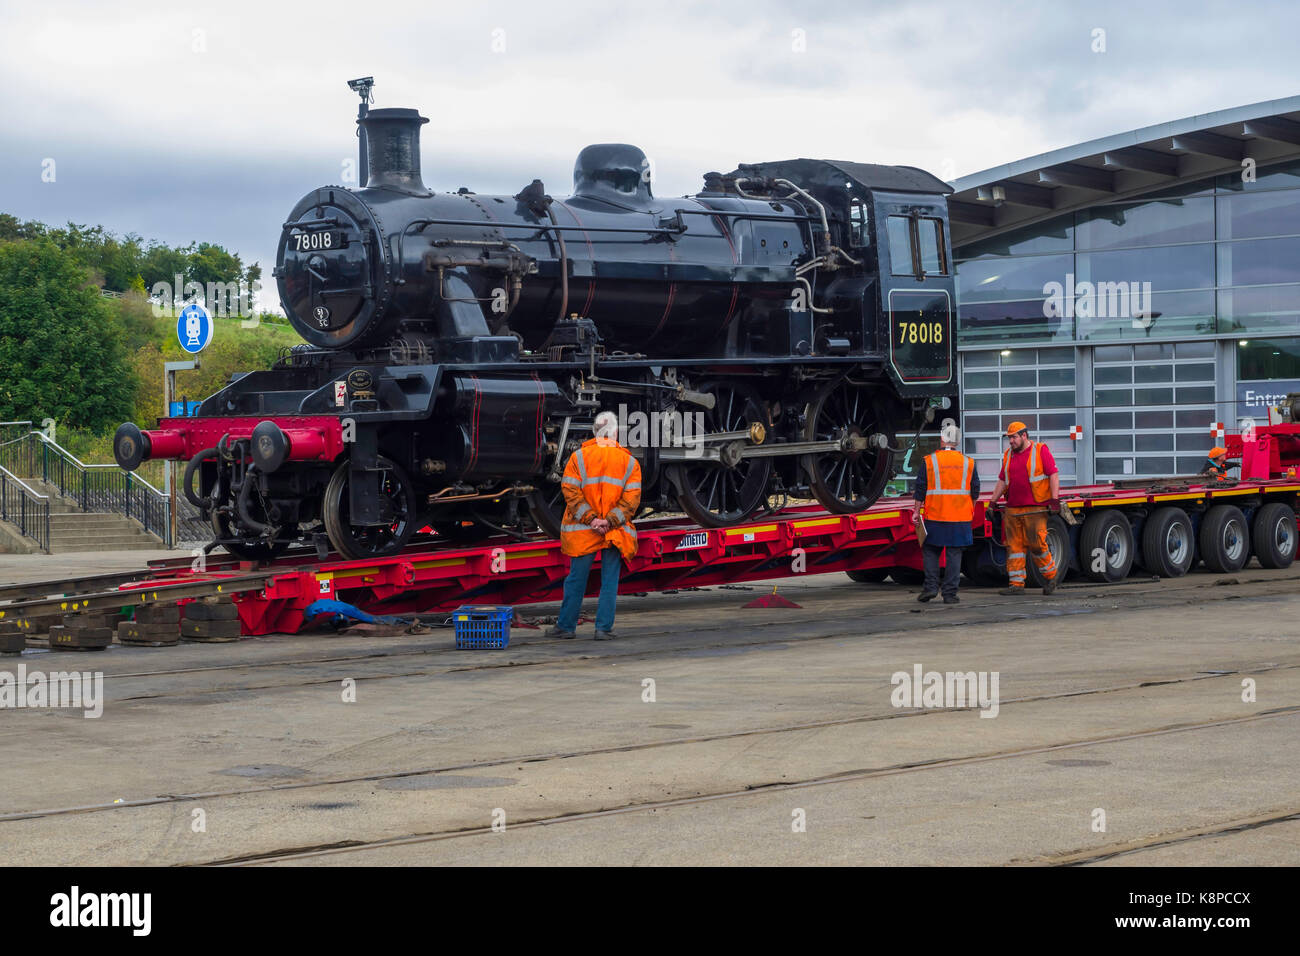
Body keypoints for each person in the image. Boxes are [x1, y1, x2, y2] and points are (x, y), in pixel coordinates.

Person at [545, 411, 641, 641]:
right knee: (609, 581)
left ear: (594, 432)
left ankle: (566, 627)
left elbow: (570, 491)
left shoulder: (578, 458)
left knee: (576, 579)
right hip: (614, 531)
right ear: (616, 432)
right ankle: (603, 629)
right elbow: (631, 500)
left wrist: (592, 520)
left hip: (584, 530)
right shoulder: (629, 461)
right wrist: (610, 522)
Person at [989, 421, 1061, 596]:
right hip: (1013, 509)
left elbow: (1053, 474)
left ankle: (1051, 577)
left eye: (1014, 437)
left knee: (1037, 545)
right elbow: (1002, 480)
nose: (1011, 441)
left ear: (1024, 436)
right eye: (1009, 438)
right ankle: (1016, 584)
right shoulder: (1008, 455)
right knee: (1014, 548)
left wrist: (1054, 500)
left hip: (1035, 509)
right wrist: (992, 502)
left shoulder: (1040, 450)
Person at [913, 422, 979, 605]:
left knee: (931, 551)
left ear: (942, 438)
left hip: (936, 515)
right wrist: (969, 508)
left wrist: (916, 512)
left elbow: (920, 489)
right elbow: (975, 491)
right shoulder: (969, 463)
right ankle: (950, 594)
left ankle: (931, 588)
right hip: (960, 518)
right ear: (957, 442)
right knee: (954, 554)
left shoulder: (929, 461)